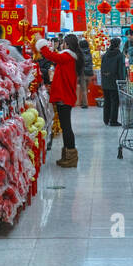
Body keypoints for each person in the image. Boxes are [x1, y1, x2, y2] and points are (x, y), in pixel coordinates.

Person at [35, 33, 80, 168]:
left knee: (66, 127)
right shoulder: (70, 57)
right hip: (65, 95)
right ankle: (67, 156)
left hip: (64, 96)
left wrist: (40, 43)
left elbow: (50, 56)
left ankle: (71, 157)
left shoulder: (67, 56)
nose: (61, 45)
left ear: (67, 44)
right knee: (66, 126)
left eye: (63, 43)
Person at [99, 37, 124, 127]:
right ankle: (113, 120)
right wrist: (122, 81)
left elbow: (102, 68)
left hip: (105, 81)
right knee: (115, 101)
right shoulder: (119, 55)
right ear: (118, 45)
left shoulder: (105, 55)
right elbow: (121, 70)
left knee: (107, 101)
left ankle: (106, 119)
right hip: (115, 81)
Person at [76, 35, 94, 108]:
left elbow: (79, 64)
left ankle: (85, 104)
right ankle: (83, 102)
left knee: (83, 89)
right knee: (85, 89)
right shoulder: (89, 52)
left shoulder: (80, 54)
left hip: (83, 73)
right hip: (89, 73)